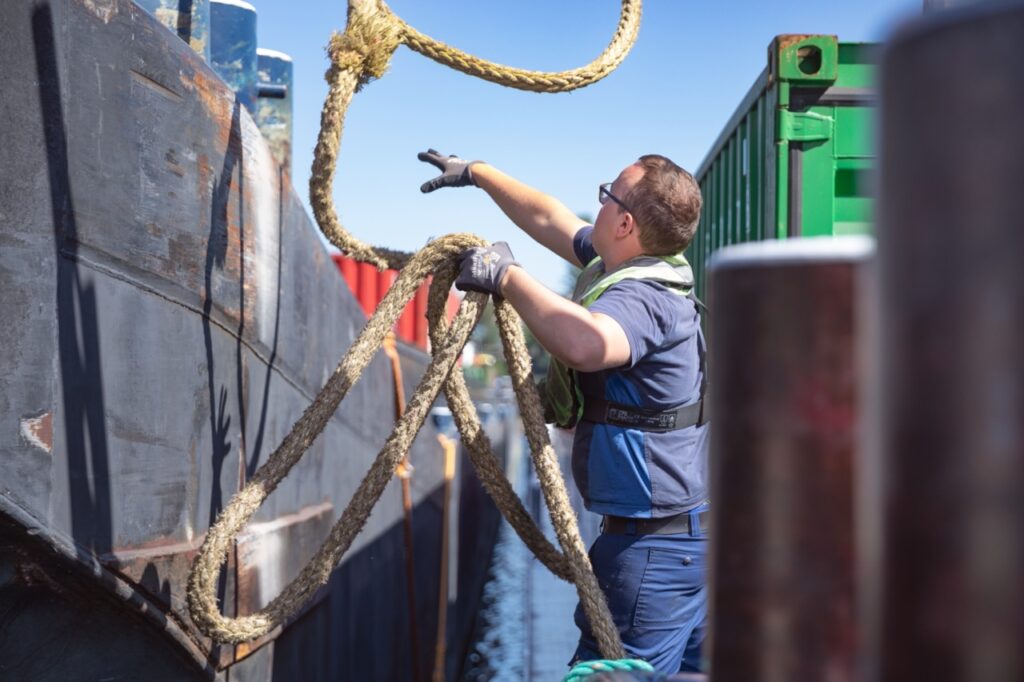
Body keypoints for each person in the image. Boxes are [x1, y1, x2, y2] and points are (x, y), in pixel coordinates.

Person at [418, 149, 710, 674]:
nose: (598, 204)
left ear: (625, 223)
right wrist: (478, 173)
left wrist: (507, 277)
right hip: (676, 542)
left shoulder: (645, 298)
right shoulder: (625, 263)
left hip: (652, 554)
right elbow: (550, 217)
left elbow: (587, 343)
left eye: (607, 195)